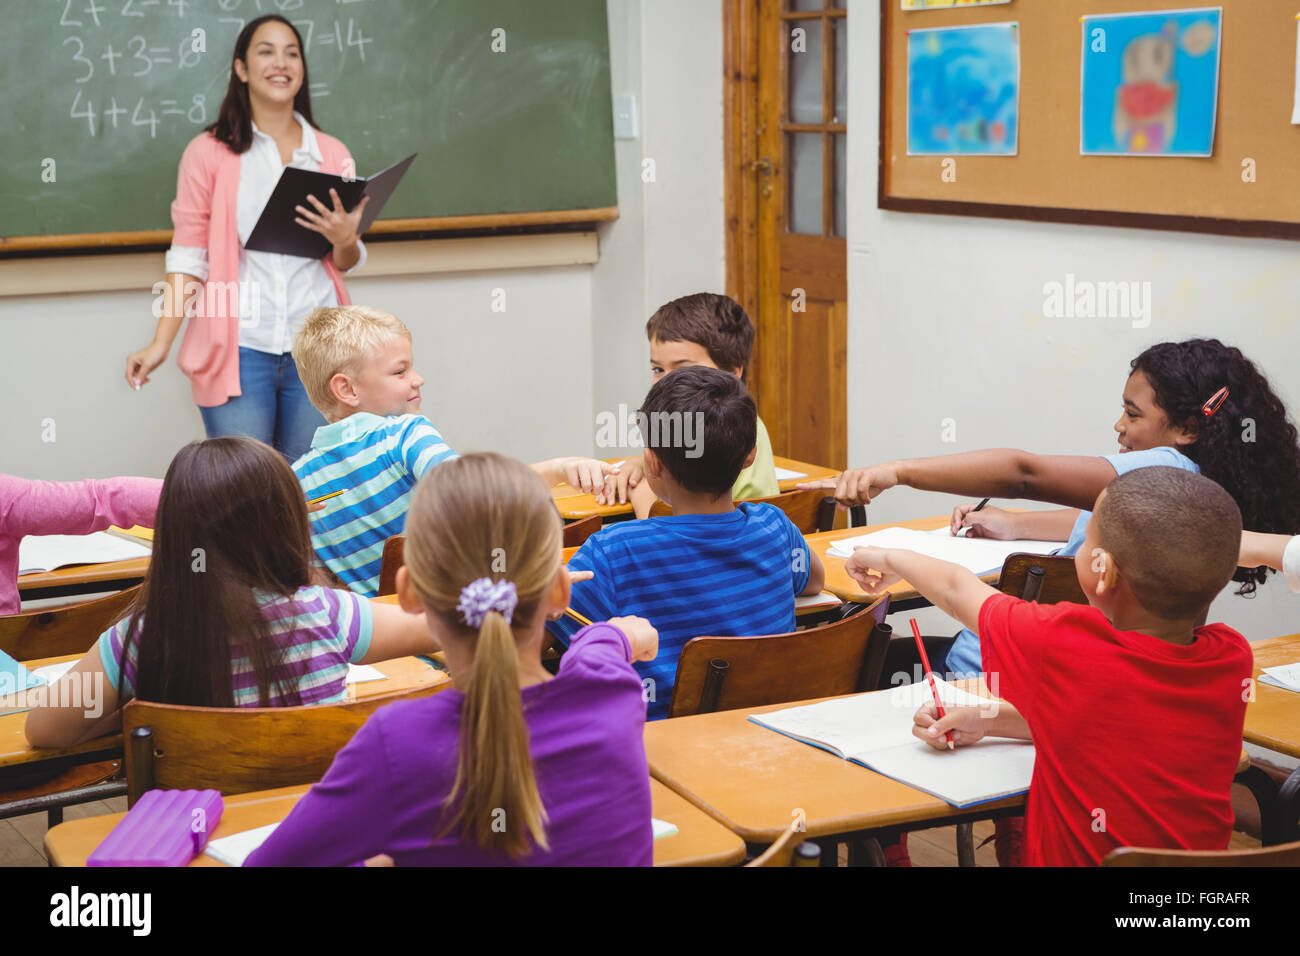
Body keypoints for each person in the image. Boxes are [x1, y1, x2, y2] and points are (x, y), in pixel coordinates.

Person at [246, 453, 660, 865]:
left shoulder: (393, 745)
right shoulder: (616, 694)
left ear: (408, 593)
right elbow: (599, 656)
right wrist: (616, 633)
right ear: (559, 593)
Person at [848, 467, 1253, 866]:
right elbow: (1105, 720)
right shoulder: (1232, 658)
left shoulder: (1065, 645)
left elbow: (957, 591)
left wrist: (887, 556)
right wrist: (988, 720)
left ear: (1103, 571)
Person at [24, 437, 437, 748]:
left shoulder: (138, 640)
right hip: (313, 826)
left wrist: (132, 714)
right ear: (287, 525)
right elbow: (440, 628)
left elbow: (44, 732)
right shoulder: (330, 612)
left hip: (196, 844)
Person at [125, 14, 370, 462]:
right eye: (266, 51)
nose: (281, 63)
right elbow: (188, 258)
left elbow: (347, 259)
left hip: (317, 346)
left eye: (292, 52)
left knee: (308, 493)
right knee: (245, 491)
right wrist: (160, 343)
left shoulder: (332, 153)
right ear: (241, 68)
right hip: (240, 346)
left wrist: (344, 239)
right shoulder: (208, 152)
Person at [551, 366, 824, 719]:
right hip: (767, 736)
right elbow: (814, 581)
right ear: (750, 455)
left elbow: (539, 631)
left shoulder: (613, 553)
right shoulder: (775, 528)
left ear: (651, 462)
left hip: (658, 750)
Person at [290, 305, 615, 596]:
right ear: (346, 389)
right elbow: (479, 493)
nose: (418, 379)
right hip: (460, 623)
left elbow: (314, 583)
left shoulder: (295, 482)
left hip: (380, 642)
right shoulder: (404, 435)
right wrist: (558, 469)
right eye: (400, 371)